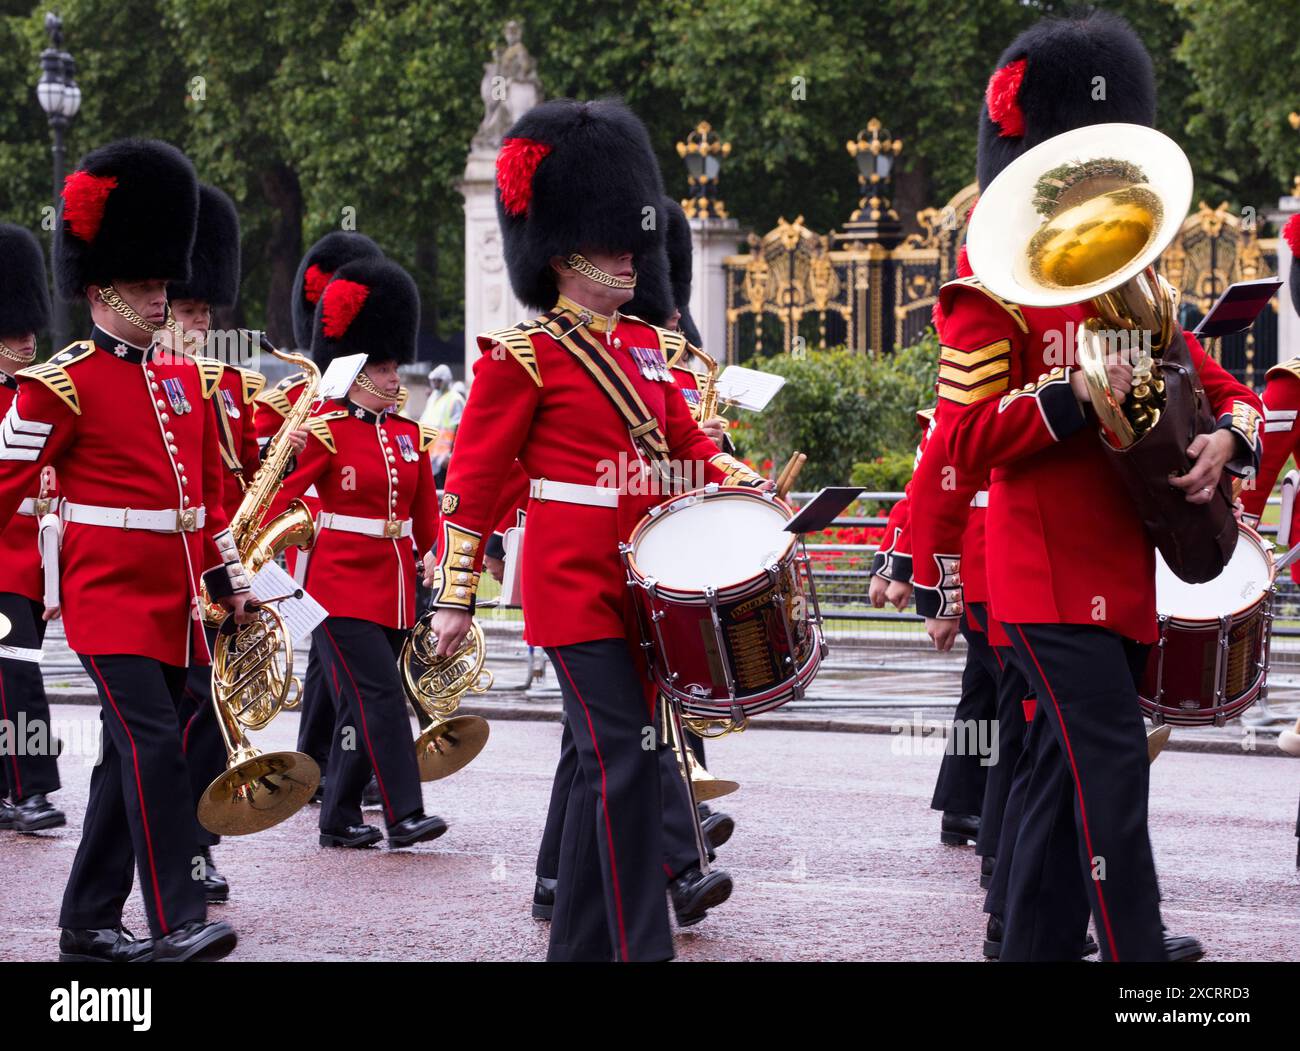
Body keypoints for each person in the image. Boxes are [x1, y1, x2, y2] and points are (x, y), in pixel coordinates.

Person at [936, 12, 1264, 963]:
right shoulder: (992, 286)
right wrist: (1074, 395)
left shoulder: (1131, 276)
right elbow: (962, 436)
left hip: (1124, 565)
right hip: (1039, 573)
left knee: (1054, 775)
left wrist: (1226, 445)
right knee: (1111, 767)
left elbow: (1228, 391)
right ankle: (1139, 958)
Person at [426, 98, 767, 962]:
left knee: (597, 768)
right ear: (565, 252)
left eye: (630, 241)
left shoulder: (649, 350)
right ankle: (638, 946)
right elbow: (469, 482)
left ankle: (578, 944)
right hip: (573, 586)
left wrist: (740, 479)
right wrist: (457, 594)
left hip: (642, 588)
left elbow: (685, 443)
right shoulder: (523, 356)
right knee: (620, 763)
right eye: (614, 244)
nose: (630, 254)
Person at [0, 138, 251, 962]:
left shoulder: (186, 381)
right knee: (152, 745)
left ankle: (87, 921)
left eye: (162, 282)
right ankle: (177, 915)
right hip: (107, 595)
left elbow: (205, 499)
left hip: (178, 601)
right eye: (146, 285)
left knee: (125, 760)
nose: (161, 297)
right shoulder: (59, 383)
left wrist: (229, 580)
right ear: (103, 287)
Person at [267, 255, 447, 850]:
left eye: (397, 367)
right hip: (337, 587)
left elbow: (424, 513)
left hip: (394, 585)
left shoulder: (408, 434)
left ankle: (338, 814)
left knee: (356, 709)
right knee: (379, 696)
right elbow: (279, 497)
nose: (398, 378)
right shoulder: (325, 429)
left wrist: (434, 559)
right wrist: (284, 456)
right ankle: (403, 813)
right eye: (386, 369)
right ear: (360, 373)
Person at [257, 231, 385, 801]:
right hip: (310, 545)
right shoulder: (291, 395)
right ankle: (329, 770)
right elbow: (258, 470)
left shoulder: (376, 398)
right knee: (331, 663)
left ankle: (326, 766)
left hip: (357, 547)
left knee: (333, 666)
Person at [0, 223, 65, 834]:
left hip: (24, 558)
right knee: (12, 673)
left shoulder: (36, 398)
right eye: (14, 334)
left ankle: (26, 787)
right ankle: (23, 789)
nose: (26, 343)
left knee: (17, 671)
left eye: (28, 332)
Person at [421, 363, 463, 487]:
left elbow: (459, 428)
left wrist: (451, 455)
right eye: (433, 381)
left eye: (438, 381)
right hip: (431, 455)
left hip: (445, 459)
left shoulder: (455, 399)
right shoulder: (433, 397)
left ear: (445, 380)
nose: (435, 384)